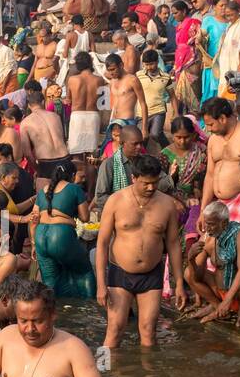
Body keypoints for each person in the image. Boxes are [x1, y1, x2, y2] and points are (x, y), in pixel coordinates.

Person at [96, 153, 186, 348]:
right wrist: (101, 284)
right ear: (134, 178)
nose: (151, 187)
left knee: (148, 332)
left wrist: (178, 283)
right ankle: (103, 373)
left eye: (154, 182)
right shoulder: (115, 201)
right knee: (114, 330)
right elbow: (102, 243)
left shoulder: (167, 204)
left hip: (151, 274)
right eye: (145, 183)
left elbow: (173, 244)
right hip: (119, 272)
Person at [184, 199, 240, 325]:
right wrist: (191, 259)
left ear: (224, 223)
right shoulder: (209, 237)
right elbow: (197, 276)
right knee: (188, 273)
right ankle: (217, 307)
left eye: (211, 224)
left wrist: (227, 300)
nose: (206, 228)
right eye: (205, 223)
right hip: (220, 290)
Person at [32, 161, 95, 298]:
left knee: (50, 281)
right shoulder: (74, 188)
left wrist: (33, 243)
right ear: (72, 175)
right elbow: (85, 217)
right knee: (84, 271)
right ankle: (90, 307)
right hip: (60, 235)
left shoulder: (43, 191)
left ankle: (54, 312)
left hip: (40, 236)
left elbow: (34, 218)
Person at [19, 81, 69, 189]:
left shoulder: (25, 123)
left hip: (46, 162)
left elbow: (27, 153)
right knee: (64, 198)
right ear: (43, 101)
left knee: (44, 200)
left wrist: (38, 169)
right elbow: (63, 139)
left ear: (28, 105)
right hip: (65, 159)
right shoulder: (55, 116)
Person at [65, 52, 102, 157]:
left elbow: (68, 100)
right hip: (93, 116)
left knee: (76, 153)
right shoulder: (100, 80)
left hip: (77, 116)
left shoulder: (72, 80)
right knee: (91, 155)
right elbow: (104, 104)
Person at [136, 48, 172, 143]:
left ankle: (168, 148)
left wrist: (176, 113)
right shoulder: (138, 76)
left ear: (157, 62)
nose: (149, 67)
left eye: (151, 64)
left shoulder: (166, 77)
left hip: (159, 111)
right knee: (142, 138)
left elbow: (173, 96)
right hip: (141, 114)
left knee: (155, 134)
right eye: (146, 64)